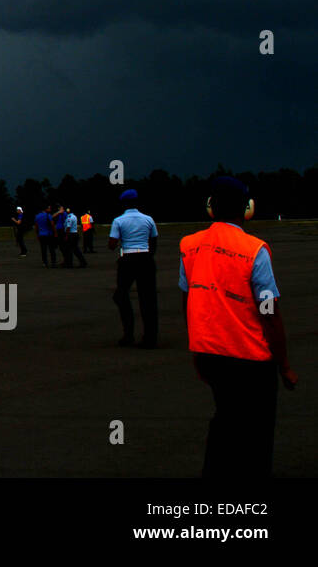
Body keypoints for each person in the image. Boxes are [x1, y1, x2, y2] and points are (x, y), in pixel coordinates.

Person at [179, 176, 297, 477]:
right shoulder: (254, 249)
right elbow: (269, 312)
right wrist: (283, 364)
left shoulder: (189, 246)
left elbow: (188, 300)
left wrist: (197, 347)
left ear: (210, 208)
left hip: (209, 353)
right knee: (256, 433)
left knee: (226, 419)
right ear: (247, 209)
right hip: (250, 359)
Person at [109, 189, 159, 347]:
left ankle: (128, 334)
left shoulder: (119, 220)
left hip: (128, 258)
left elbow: (112, 244)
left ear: (124, 203)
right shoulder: (148, 219)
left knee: (121, 295)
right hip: (145, 258)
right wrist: (149, 255)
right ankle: (150, 337)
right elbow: (154, 240)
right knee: (148, 299)